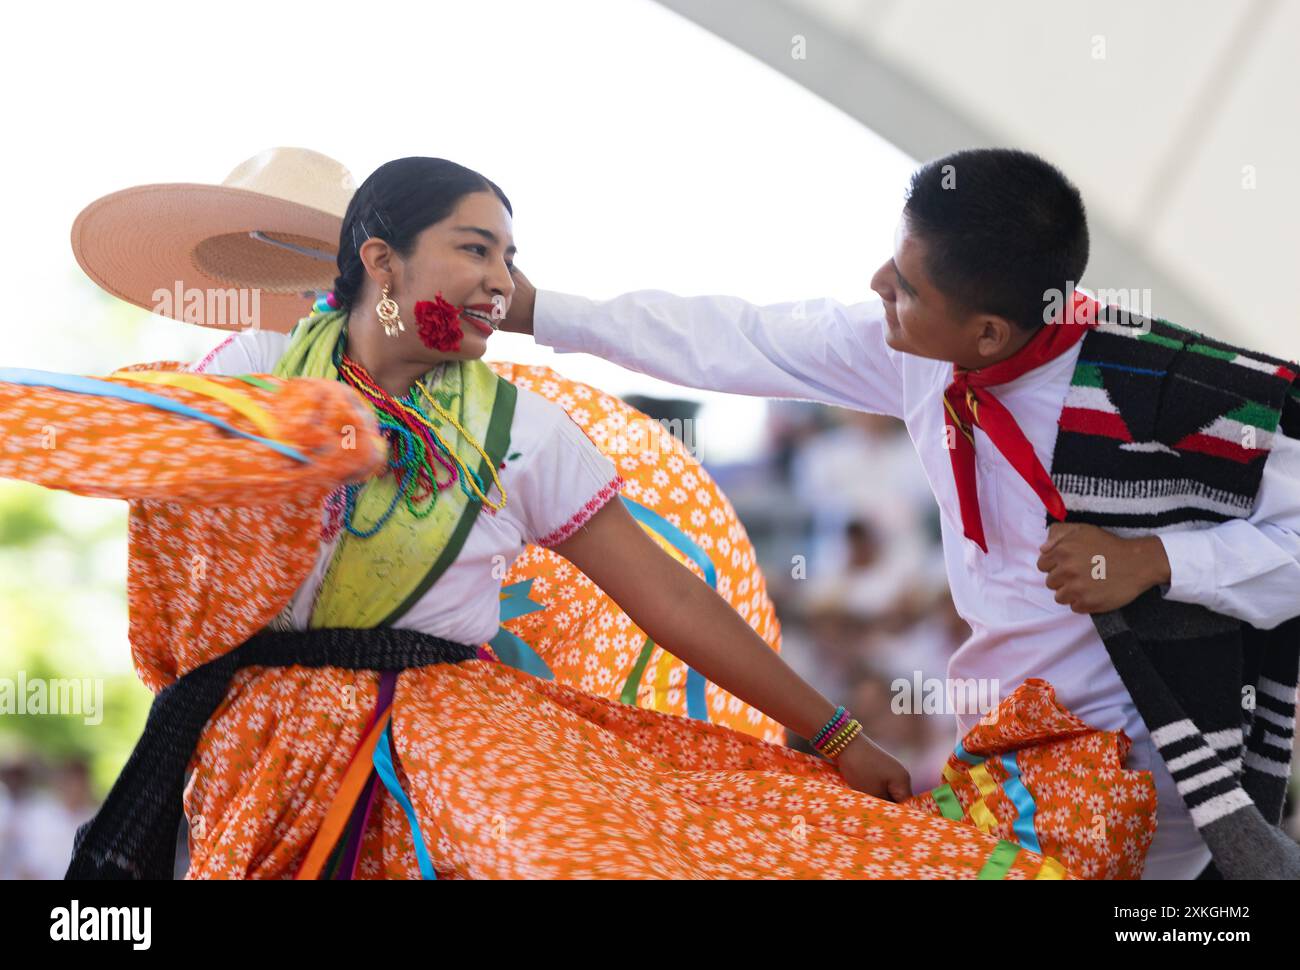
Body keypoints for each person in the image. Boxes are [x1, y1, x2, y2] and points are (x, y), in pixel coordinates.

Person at [0, 153, 1161, 880]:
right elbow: (135, 437)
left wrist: (834, 737)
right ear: (377, 259)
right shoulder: (254, 364)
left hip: (445, 741)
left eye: (510, 254)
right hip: (247, 742)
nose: (502, 277)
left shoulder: (522, 428)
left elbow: (663, 593)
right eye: (475, 249)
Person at [500, 148, 1300, 880]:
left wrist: (1154, 562)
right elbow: (741, 337)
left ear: (987, 331)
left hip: (1142, 781)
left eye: (909, 284)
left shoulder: (1179, 392)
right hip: (997, 765)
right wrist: (539, 311)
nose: (881, 282)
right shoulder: (918, 348)